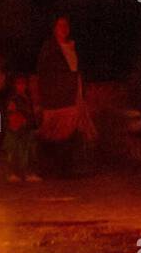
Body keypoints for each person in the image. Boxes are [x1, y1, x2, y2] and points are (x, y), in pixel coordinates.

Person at [36, 15, 96, 174]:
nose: (63, 28)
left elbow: (78, 70)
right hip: (57, 97)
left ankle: (69, 167)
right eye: (60, 25)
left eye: (66, 25)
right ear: (54, 28)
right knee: (54, 132)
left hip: (73, 95)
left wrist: (81, 86)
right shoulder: (49, 48)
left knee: (74, 130)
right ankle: (47, 167)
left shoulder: (72, 47)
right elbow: (46, 72)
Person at [1, 74, 39, 183]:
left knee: (29, 152)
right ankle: (13, 174)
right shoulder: (14, 99)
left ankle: (29, 173)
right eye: (19, 84)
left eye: (23, 84)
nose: (21, 86)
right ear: (15, 86)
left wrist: (33, 126)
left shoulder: (27, 98)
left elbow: (31, 114)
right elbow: (11, 114)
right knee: (14, 152)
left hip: (27, 130)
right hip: (16, 131)